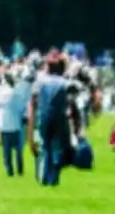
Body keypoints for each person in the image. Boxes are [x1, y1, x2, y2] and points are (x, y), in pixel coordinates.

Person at [28, 51, 72, 187]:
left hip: (43, 117)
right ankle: (54, 177)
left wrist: (30, 127)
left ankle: (43, 176)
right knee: (56, 147)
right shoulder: (64, 83)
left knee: (43, 146)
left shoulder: (39, 82)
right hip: (59, 118)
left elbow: (33, 104)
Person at [0, 70, 29, 177]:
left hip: (3, 124)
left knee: (6, 150)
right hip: (14, 124)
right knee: (18, 149)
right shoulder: (15, 93)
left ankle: (9, 170)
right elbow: (20, 107)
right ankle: (20, 169)